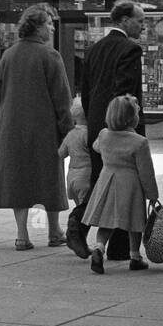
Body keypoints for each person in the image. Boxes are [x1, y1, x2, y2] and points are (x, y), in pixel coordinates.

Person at [0, 4, 72, 250]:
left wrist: (2, 119)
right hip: (44, 128)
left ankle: (22, 234)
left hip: (13, 126)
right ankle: (55, 230)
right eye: (48, 23)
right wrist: (67, 129)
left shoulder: (9, 55)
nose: (52, 27)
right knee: (50, 178)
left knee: (19, 178)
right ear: (37, 27)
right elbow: (62, 98)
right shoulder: (50, 55)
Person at [80, 0, 145, 261]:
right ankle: (119, 246)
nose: (143, 26)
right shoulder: (130, 49)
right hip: (121, 125)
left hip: (98, 125)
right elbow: (125, 91)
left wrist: (95, 119)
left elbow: (86, 91)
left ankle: (97, 237)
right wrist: (128, 121)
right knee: (127, 184)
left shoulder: (95, 48)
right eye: (140, 20)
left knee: (103, 180)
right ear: (124, 20)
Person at [83, 95, 158, 274]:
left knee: (107, 222)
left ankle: (99, 248)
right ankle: (135, 257)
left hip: (107, 181)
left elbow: (95, 147)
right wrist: (152, 194)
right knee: (135, 222)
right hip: (130, 185)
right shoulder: (139, 142)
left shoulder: (104, 135)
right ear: (132, 118)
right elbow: (146, 172)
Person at [59, 97, 93, 257]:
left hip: (71, 176)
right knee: (85, 213)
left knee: (80, 208)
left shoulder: (71, 134)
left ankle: (80, 240)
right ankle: (77, 236)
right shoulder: (88, 134)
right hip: (85, 176)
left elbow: (61, 153)